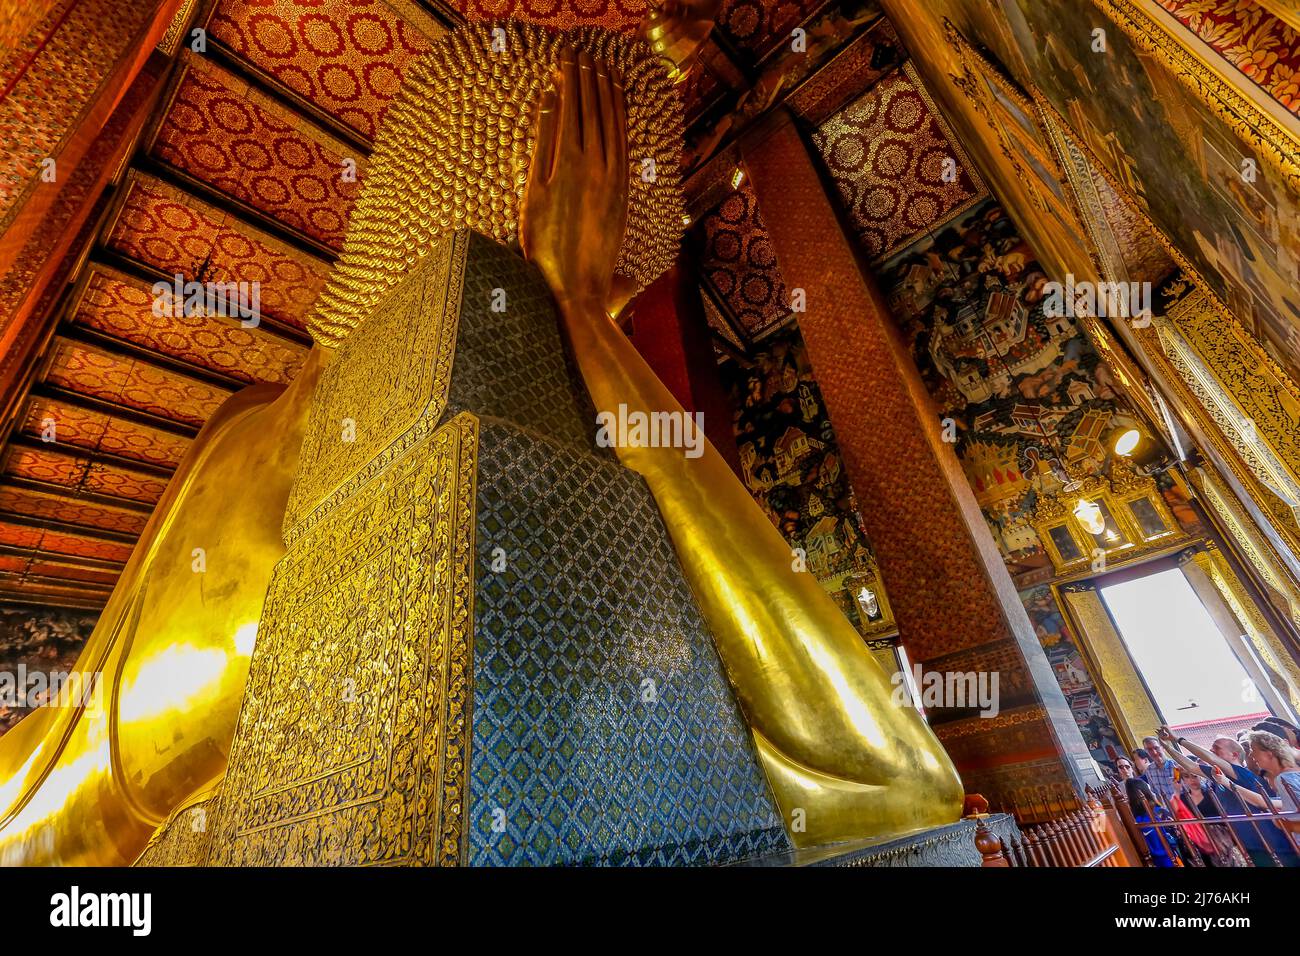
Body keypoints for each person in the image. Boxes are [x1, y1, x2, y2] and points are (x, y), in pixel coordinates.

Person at [1158, 727, 1298, 866]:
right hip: (1251, 844)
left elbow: (1210, 758)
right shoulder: (1219, 775)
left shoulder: (1241, 773)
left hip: (1272, 843)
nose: (1211, 751)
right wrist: (1167, 747)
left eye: (1216, 747)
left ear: (1234, 754)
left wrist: (1178, 739)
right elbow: (1192, 767)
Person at [1125, 778, 1178, 867]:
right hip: (1170, 856)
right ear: (1147, 792)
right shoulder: (1160, 812)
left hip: (1153, 860)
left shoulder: (1134, 820)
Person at [1141, 735, 1178, 805]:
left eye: (1156, 748)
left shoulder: (1176, 766)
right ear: (1146, 752)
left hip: (1185, 807)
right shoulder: (1149, 770)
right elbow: (1155, 793)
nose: (1154, 752)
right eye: (1149, 749)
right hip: (1169, 809)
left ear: (1163, 748)